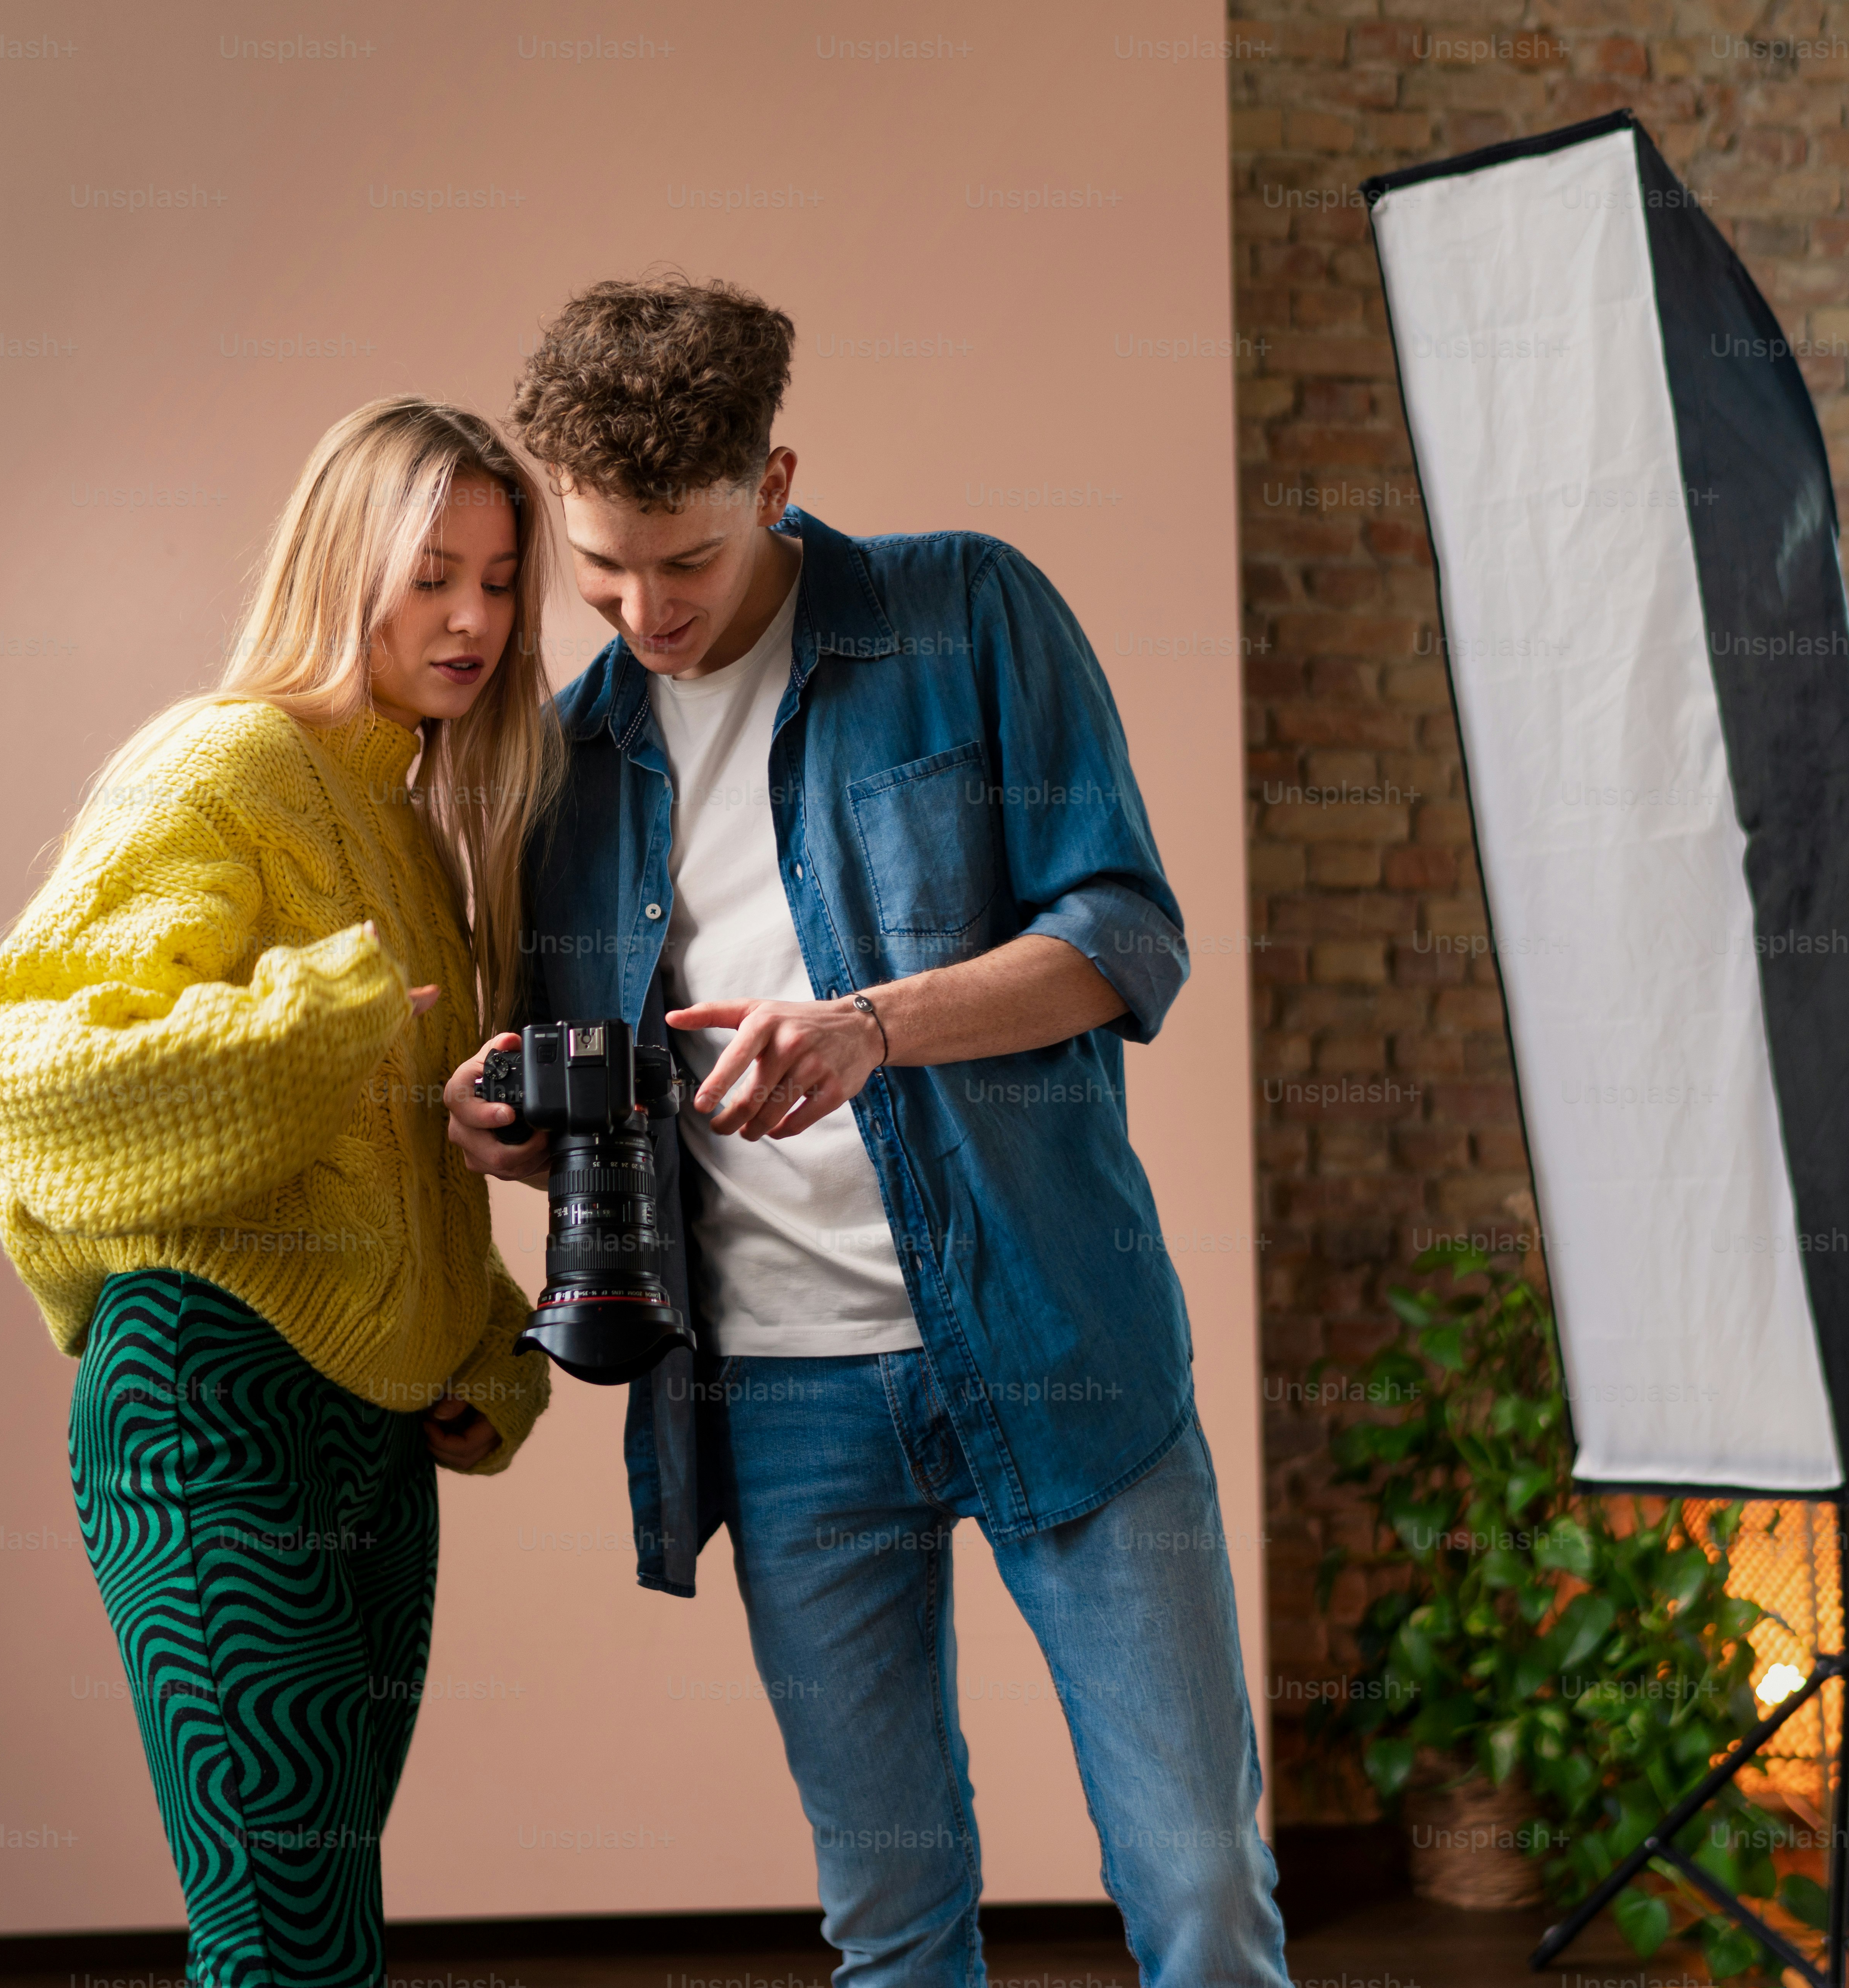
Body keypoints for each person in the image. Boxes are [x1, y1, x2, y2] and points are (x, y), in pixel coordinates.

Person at [446, 279, 1294, 1988]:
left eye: (680, 563)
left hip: (1055, 1338)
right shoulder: (568, 757)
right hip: (778, 1400)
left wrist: (868, 1027)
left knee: (1196, 1885)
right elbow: (610, 1098)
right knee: (892, 1932)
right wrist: (517, 1137)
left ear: (772, 483)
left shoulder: (963, 609)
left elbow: (1125, 930)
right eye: (599, 566)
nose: (640, 608)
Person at [0, 397, 560, 1988]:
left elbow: (392, 1170)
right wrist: (326, 1019)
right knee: (285, 1950)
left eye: (500, 582)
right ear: (341, 561)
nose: (475, 621)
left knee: (320, 1948)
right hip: (207, 1403)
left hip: (369, 1448)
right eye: (434, 573)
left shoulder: (419, 841)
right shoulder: (225, 759)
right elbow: (21, 1065)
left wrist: (489, 1351)